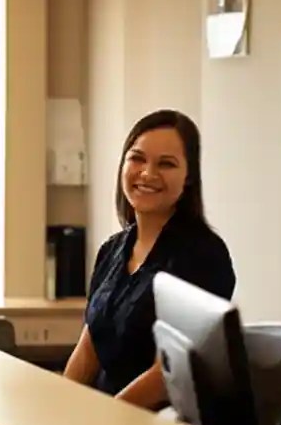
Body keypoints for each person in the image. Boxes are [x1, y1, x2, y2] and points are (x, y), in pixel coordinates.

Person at [63, 109, 236, 409]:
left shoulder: (204, 256)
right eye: (138, 158)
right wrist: (60, 408)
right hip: (106, 420)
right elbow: (89, 348)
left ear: (189, 177)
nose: (147, 173)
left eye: (166, 164)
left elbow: (166, 373)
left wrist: (103, 419)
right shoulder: (112, 250)